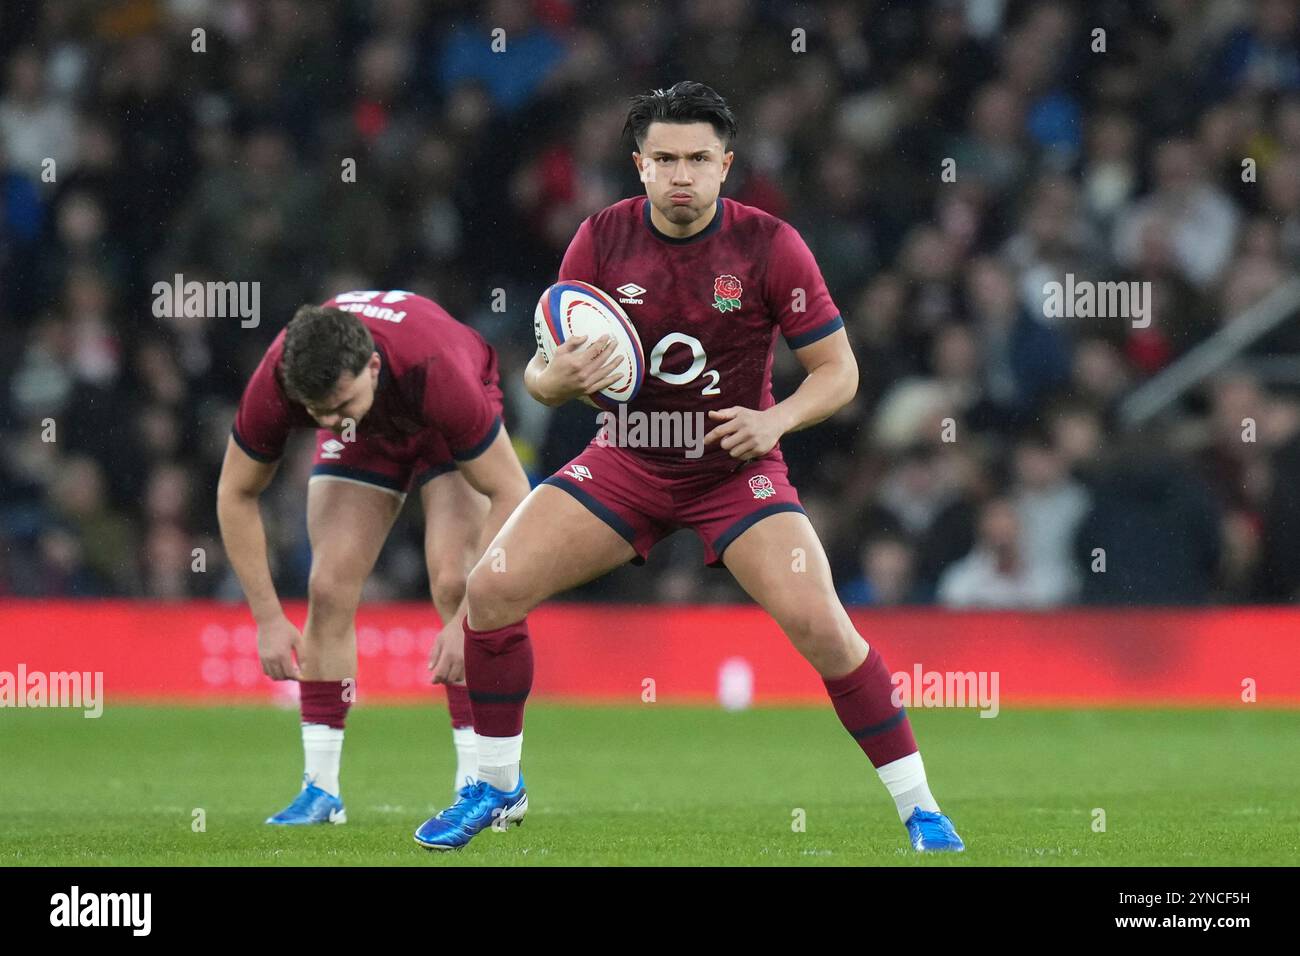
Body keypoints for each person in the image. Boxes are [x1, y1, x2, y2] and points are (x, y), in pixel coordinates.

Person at [414, 83, 964, 853]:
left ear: (726, 165)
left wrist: (776, 418)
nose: (682, 174)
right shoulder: (600, 239)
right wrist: (555, 382)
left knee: (822, 627)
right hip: (625, 458)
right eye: (665, 158)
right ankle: (499, 789)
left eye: (698, 159)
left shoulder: (772, 245)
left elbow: (840, 372)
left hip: (736, 471)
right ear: (638, 165)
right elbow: (541, 371)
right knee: (491, 589)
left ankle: (921, 808)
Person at [216, 290, 530, 824]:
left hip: (438, 423)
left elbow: (512, 490)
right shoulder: (282, 378)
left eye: (340, 405)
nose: (331, 421)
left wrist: (464, 623)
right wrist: (268, 618)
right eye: (317, 414)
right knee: (329, 585)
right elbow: (234, 493)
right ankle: (321, 791)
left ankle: (478, 782)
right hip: (376, 433)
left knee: (455, 581)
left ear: (373, 366)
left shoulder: (437, 371)